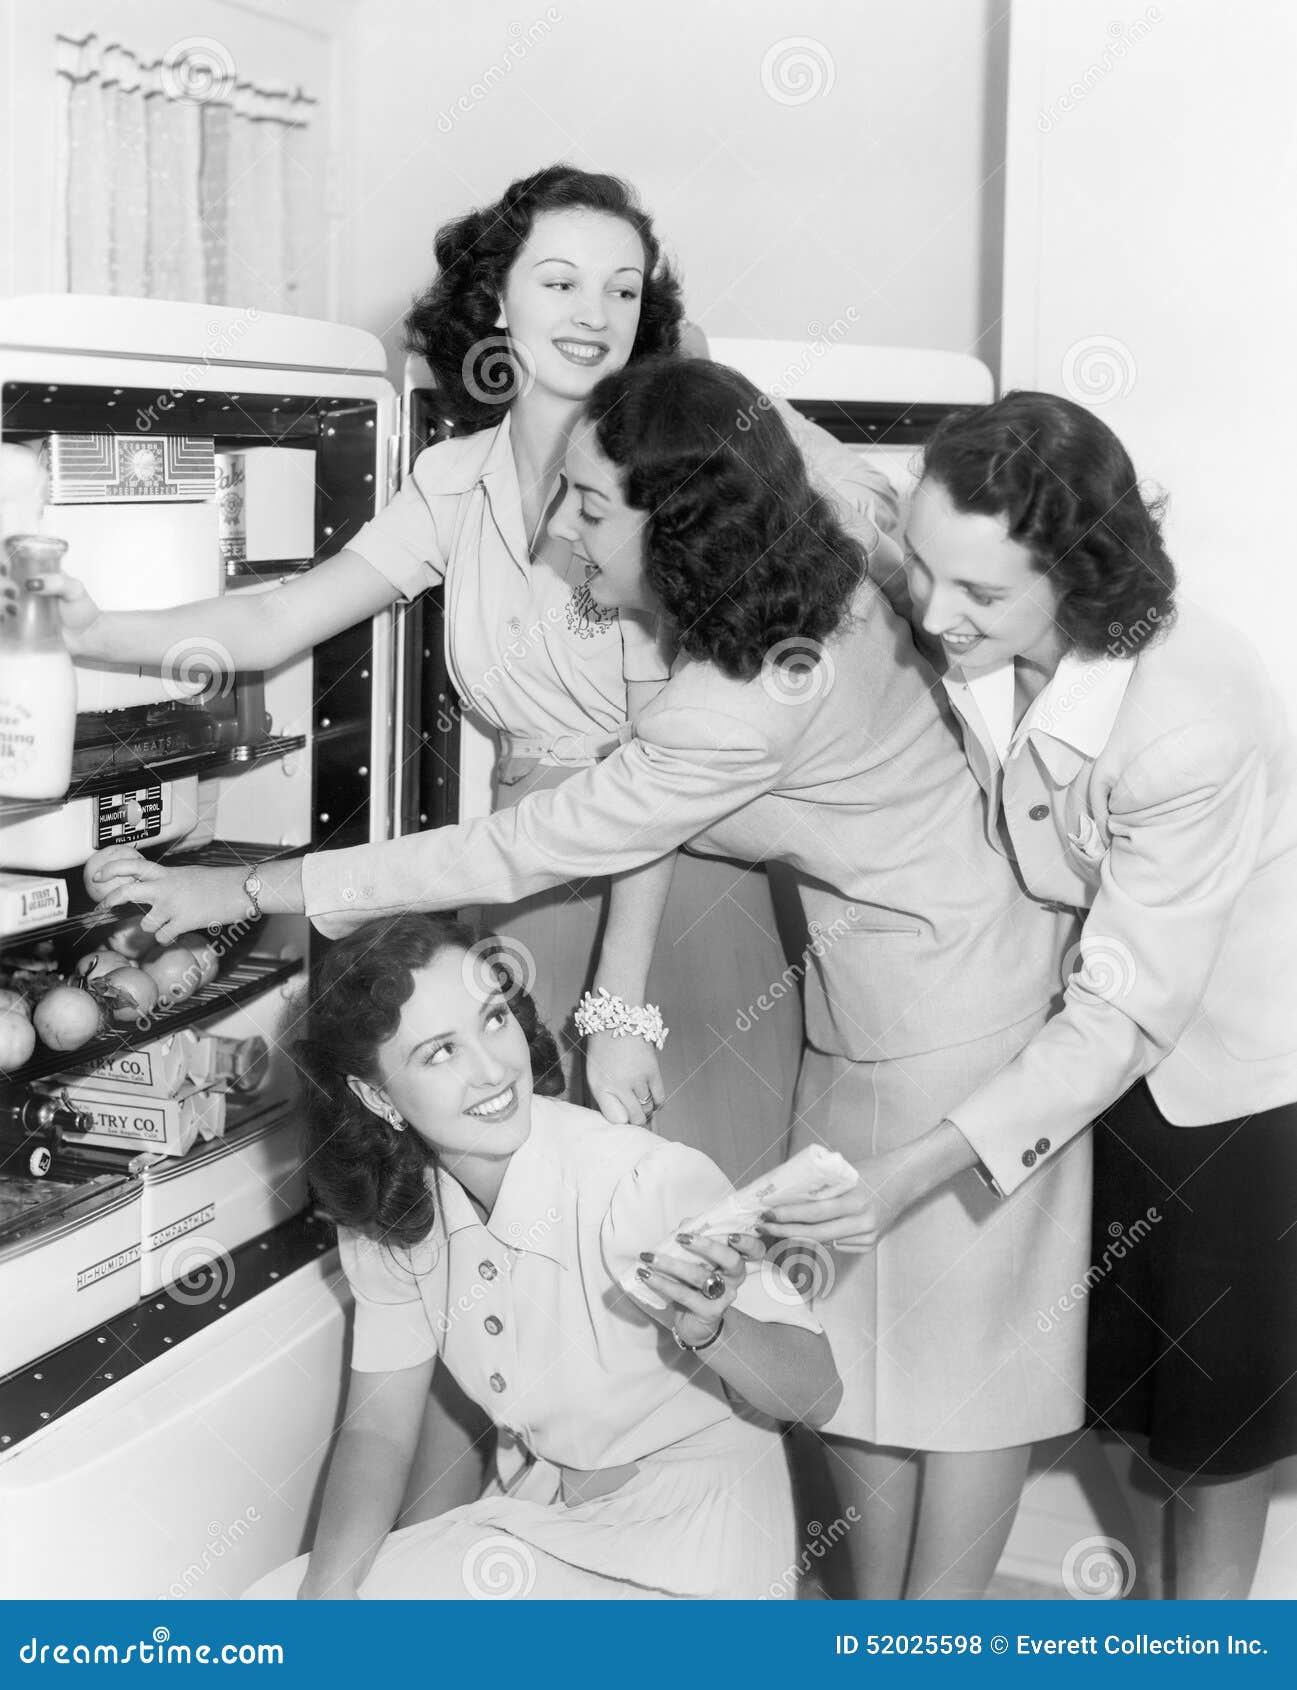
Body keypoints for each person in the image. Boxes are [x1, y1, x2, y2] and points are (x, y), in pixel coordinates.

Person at [85, 357, 1092, 1600]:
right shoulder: (792, 534)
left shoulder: (739, 702)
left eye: (591, 508)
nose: (562, 532)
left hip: (960, 990)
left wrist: (242, 887)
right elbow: (755, 419)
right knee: (869, 1349)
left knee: (964, 1364)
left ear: (679, 522)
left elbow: (516, 844)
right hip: (864, 985)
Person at [765, 390, 1297, 1600]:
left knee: (1205, 1439)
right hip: (1081, 1050)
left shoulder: (1186, 719)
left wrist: (904, 1174)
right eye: (928, 570)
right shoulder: (962, 582)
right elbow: (827, 470)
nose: (935, 615)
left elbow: (1122, 1012)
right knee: (1110, 1395)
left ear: (1082, 575)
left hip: (1221, 1074)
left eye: (981, 597)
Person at [242, 913, 838, 1600]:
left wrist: (714, 1327)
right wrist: (325, 1604)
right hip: (544, 1520)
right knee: (274, 1612)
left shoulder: (640, 1182)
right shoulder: (390, 1217)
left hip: (696, 1538)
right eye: (440, 1053)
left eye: (493, 1019)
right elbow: (378, 1429)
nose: (493, 1069)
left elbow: (818, 1395)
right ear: (377, 1096)